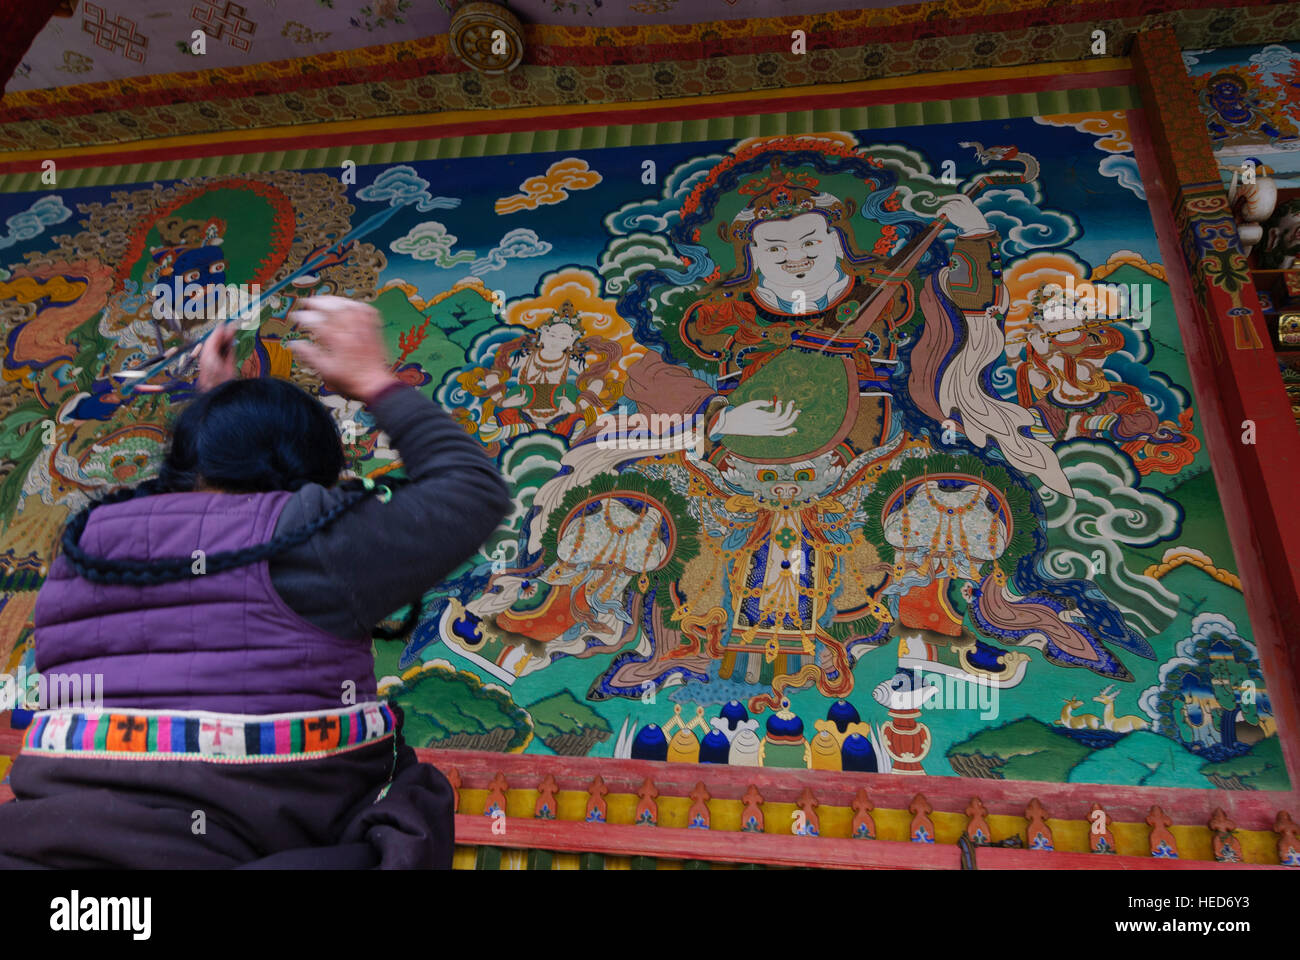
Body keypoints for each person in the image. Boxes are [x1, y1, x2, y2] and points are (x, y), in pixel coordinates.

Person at [0, 296, 512, 869]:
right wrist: (373, 379)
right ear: (314, 472)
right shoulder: (309, 536)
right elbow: (473, 492)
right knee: (413, 797)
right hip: (246, 844)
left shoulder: (87, 542)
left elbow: (186, 523)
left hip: (58, 849)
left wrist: (218, 414)